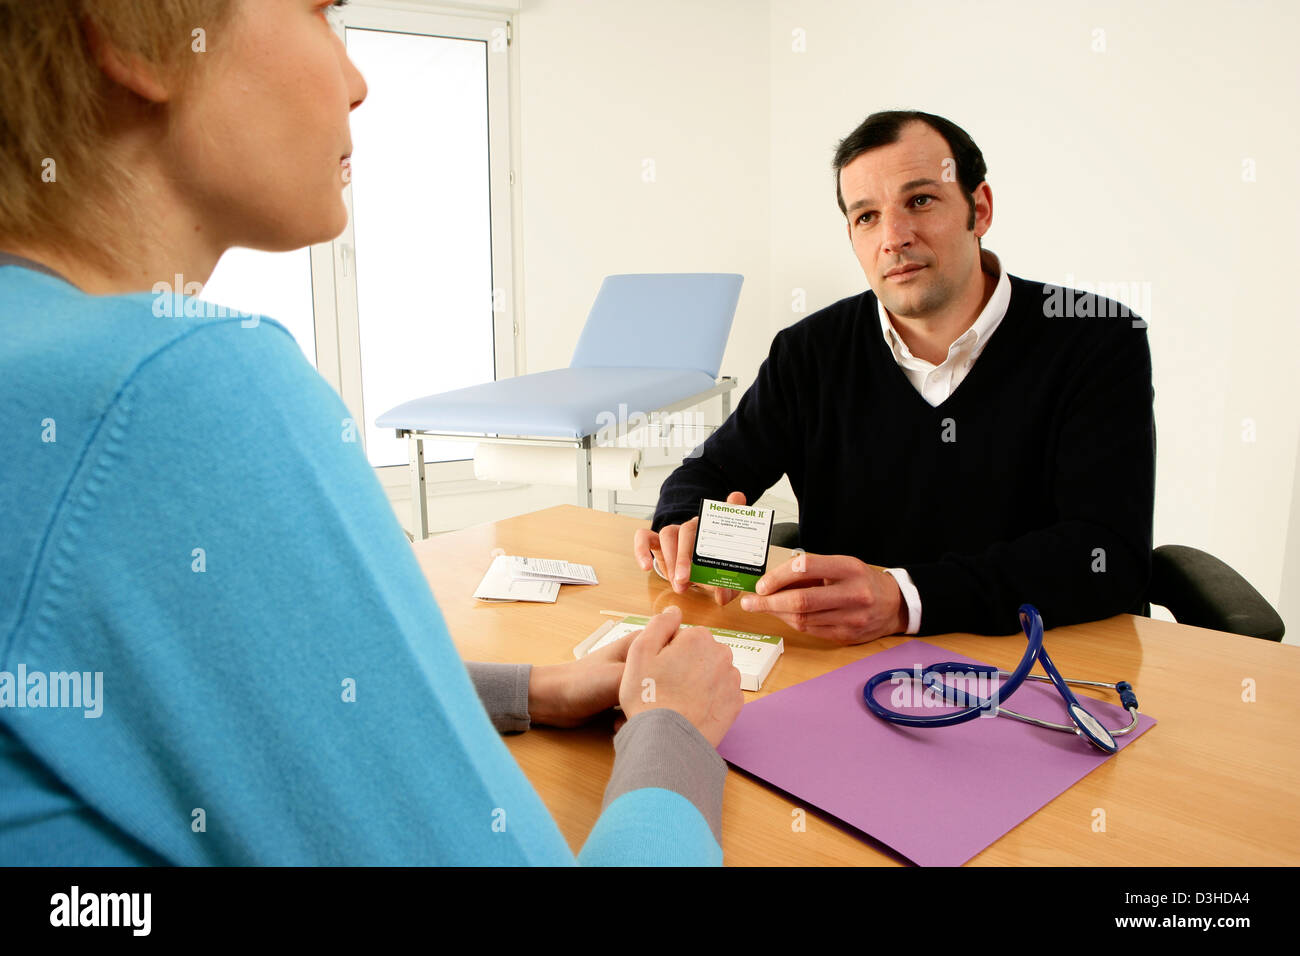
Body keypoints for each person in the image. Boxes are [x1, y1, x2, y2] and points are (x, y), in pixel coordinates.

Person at [0, 0, 742, 865]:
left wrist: (525, 689)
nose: (357, 83)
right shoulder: (173, 391)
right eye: (322, 12)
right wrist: (670, 730)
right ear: (131, 33)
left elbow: (229, 692)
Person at [635, 110, 1155, 644]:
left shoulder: (1096, 338)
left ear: (979, 208)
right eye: (866, 217)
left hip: (1041, 666)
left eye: (920, 201)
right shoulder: (810, 351)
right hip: (846, 668)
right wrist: (682, 522)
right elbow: (711, 470)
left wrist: (903, 599)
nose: (894, 237)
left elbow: (1107, 555)